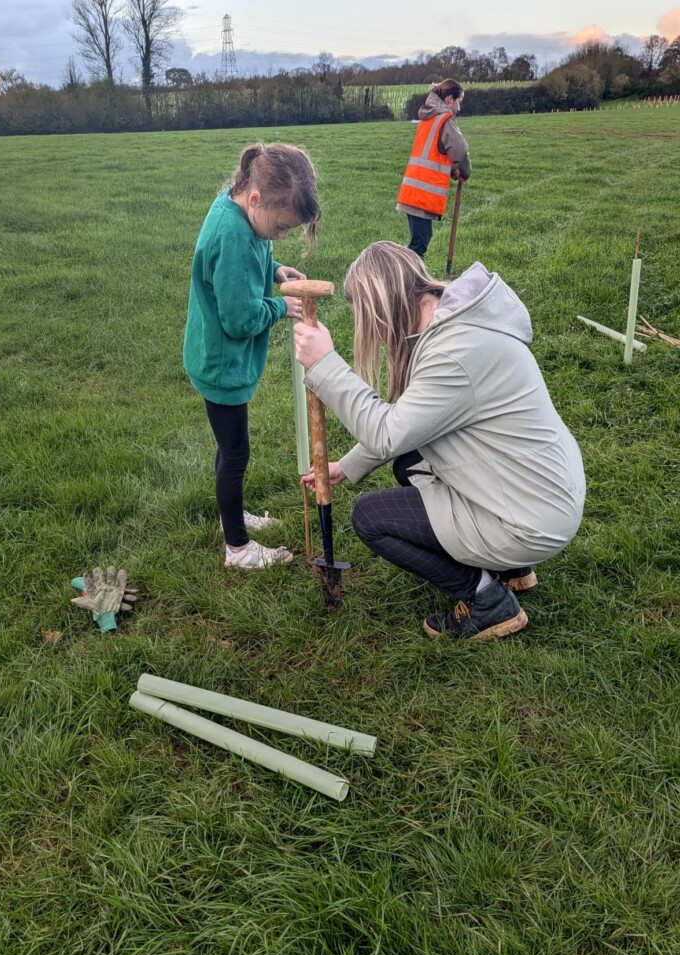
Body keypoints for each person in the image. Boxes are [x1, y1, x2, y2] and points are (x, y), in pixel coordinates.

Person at [293, 242, 586, 640]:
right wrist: (347, 466)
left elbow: (386, 432)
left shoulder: (453, 353)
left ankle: (486, 598)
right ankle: (511, 569)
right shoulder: (457, 325)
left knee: (372, 519)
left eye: (367, 320)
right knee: (407, 460)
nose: (373, 334)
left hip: (530, 517)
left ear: (381, 307)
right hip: (539, 492)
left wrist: (325, 363)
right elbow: (410, 424)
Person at [184, 142, 320, 570]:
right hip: (222, 363)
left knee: (230, 449)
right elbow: (241, 320)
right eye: (280, 228)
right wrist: (282, 305)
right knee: (236, 452)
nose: (280, 236)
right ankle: (237, 549)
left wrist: (274, 268)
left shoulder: (235, 204)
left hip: (216, 354)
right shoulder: (236, 236)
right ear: (257, 199)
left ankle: (231, 516)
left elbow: (253, 254)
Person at [398, 79, 471, 258]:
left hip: (413, 191)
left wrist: (451, 170)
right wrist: (464, 170)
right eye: (458, 102)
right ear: (449, 100)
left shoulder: (428, 118)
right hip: (422, 192)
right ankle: (406, 279)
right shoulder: (445, 119)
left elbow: (434, 153)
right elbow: (460, 151)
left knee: (420, 239)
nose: (458, 108)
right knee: (419, 244)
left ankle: (410, 278)